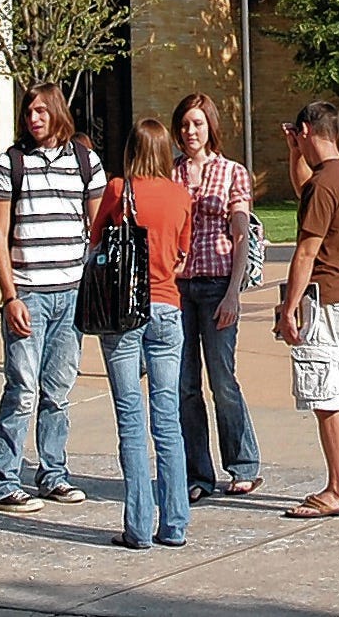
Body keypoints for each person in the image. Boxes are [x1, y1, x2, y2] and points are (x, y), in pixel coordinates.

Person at [0, 82, 104, 513]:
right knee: (22, 390)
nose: (34, 118)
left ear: (57, 113)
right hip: (28, 294)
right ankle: (3, 481)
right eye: (28, 111)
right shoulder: (9, 165)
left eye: (41, 111)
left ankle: (53, 473)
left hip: (71, 294)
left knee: (58, 390)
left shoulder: (86, 163)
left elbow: (96, 230)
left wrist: (93, 286)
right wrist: (9, 295)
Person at [95, 119, 195, 549]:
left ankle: (137, 525)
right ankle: (174, 523)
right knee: (167, 418)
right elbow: (181, 254)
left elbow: (96, 237)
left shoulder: (120, 190)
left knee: (131, 420)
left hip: (125, 309)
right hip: (167, 307)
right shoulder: (180, 194)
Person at [275, 101, 339, 519]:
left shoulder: (325, 184)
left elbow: (306, 251)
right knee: (337, 389)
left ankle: (337, 490)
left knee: (326, 396)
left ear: (307, 130)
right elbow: (304, 190)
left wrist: (289, 307)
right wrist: (295, 154)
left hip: (324, 297)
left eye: (300, 136)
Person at [169, 92, 263, 502]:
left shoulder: (232, 173)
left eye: (198, 124)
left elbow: (241, 234)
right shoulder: (168, 173)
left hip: (217, 285)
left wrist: (234, 293)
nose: (191, 132)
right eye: (185, 125)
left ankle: (242, 464)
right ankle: (197, 474)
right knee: (185, 384)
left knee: (222, 379)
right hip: (177, 289)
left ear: (211, 128)